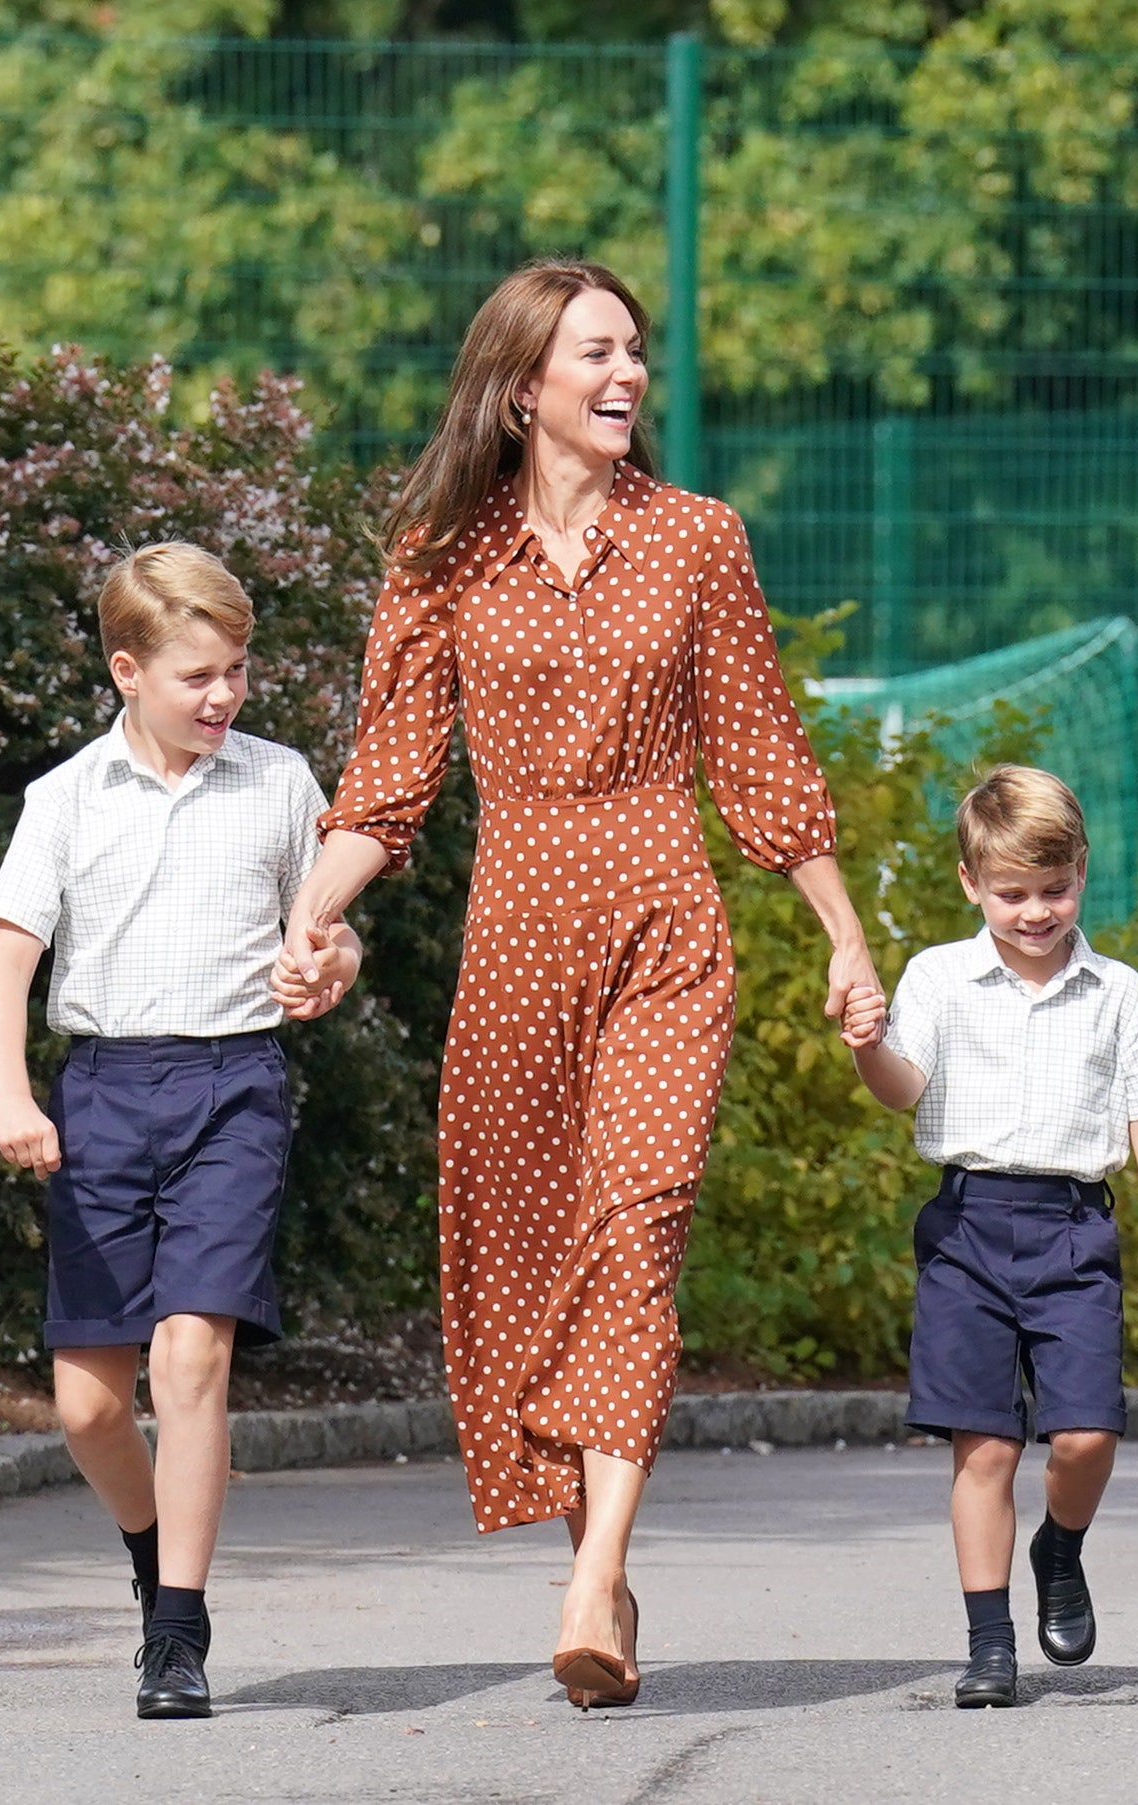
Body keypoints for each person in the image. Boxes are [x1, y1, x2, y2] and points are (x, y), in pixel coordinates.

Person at [280, 258, 880, 1709]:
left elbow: (756, 749)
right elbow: (388, 779)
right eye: (596, 353)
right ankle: (596, 1556)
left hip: (663, 921)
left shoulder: (695, 540)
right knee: (538, 1257)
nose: (627, 378)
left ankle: (592, 1570)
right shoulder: (441, 558)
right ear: (520, 382)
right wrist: (310, 918)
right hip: (516, 937)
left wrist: (844, 933)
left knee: (641, 1223)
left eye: (636, 355)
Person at [0, 542, 359, 1720]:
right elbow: (3, 963)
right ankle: (152, 1561)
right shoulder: (66, 798)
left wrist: (330, 960)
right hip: (100, 1094)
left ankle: (178, 1634)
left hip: (235, 1085)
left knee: (192, 1347)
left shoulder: (281, 783)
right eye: (198, 675)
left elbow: (327, 931)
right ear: (127, 671)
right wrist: (11, 1096)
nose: (224, 695)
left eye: (236, 669)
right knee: (89, 1401)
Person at [843, 765, 1138, 1709]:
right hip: (966, 1227)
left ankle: (1061, 1545)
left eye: (1053, 889)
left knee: (1084, 1433)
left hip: (1073, 1230)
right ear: (971, 884)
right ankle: (989, 1643)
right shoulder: (936, 976)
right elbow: (902, 1088)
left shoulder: (1116, 993)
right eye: (1011, 893)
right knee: (986, 1446)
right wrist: (864, 1046)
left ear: (1079, 871)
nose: (1035, 911)